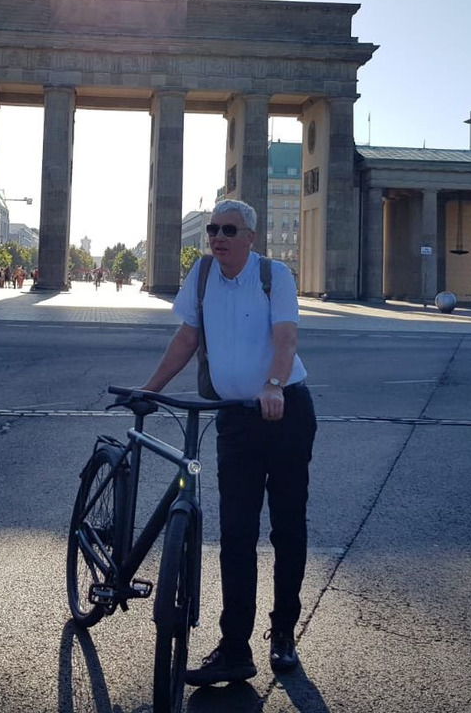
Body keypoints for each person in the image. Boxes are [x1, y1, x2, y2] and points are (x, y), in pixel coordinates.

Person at [140, 199, 315, 686]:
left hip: (286, 413)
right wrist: (149, 390)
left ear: (250, 238)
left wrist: (274, 386)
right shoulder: (200, 276)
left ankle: (283, 634)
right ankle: (235, 648)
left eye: (228, 230)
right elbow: (186, 339)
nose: (217, 237)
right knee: (237, 535)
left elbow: (286, 339)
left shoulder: (273, 275)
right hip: (236, 420)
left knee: (287, 528)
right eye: (213, 229)